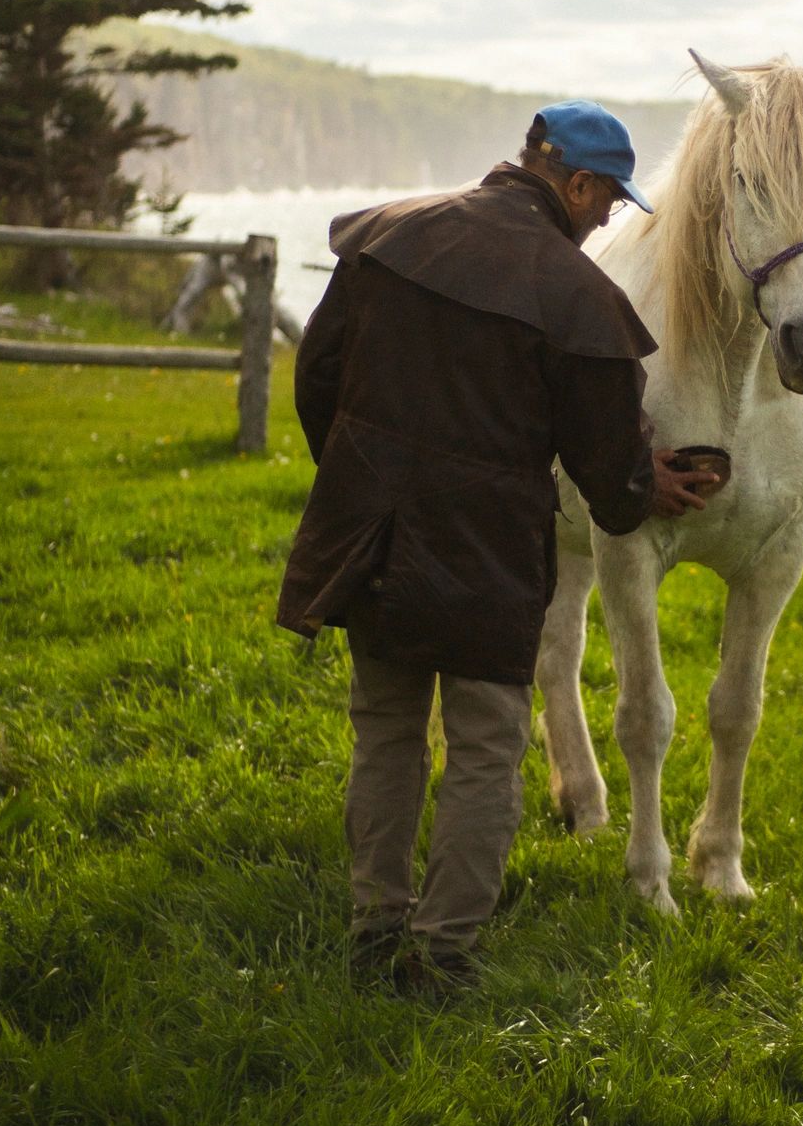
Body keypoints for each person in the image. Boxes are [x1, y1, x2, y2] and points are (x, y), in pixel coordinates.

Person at [277, 102, 712, 995]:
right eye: (610, 201)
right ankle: (443, 953)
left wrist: (368, 478)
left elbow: (317, 378)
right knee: (484, 751)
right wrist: (647, 483)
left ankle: (374, 927)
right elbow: (608, 478)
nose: (608, 220)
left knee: (386, 730)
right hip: (490, 555)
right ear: (577, 183)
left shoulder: (388, 235)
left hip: (375, 536)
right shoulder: (581, 299)